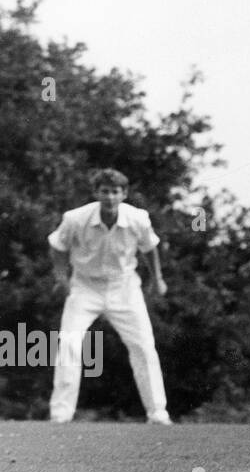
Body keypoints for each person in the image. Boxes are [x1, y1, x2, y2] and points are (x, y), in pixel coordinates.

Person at [47, 169, 171, 424]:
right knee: (69, 343)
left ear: (124, 194)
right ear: (96, 193)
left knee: (143, 346)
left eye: (115, 192)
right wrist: (61, 278)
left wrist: (157, 278)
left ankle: (158, 413)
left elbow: (150, 248)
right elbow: (57, 246)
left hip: (124, 286)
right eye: (104, 191)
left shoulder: (138, 219)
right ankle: (61, 414)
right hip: (84, 287)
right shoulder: (75, 218)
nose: (110, 197)